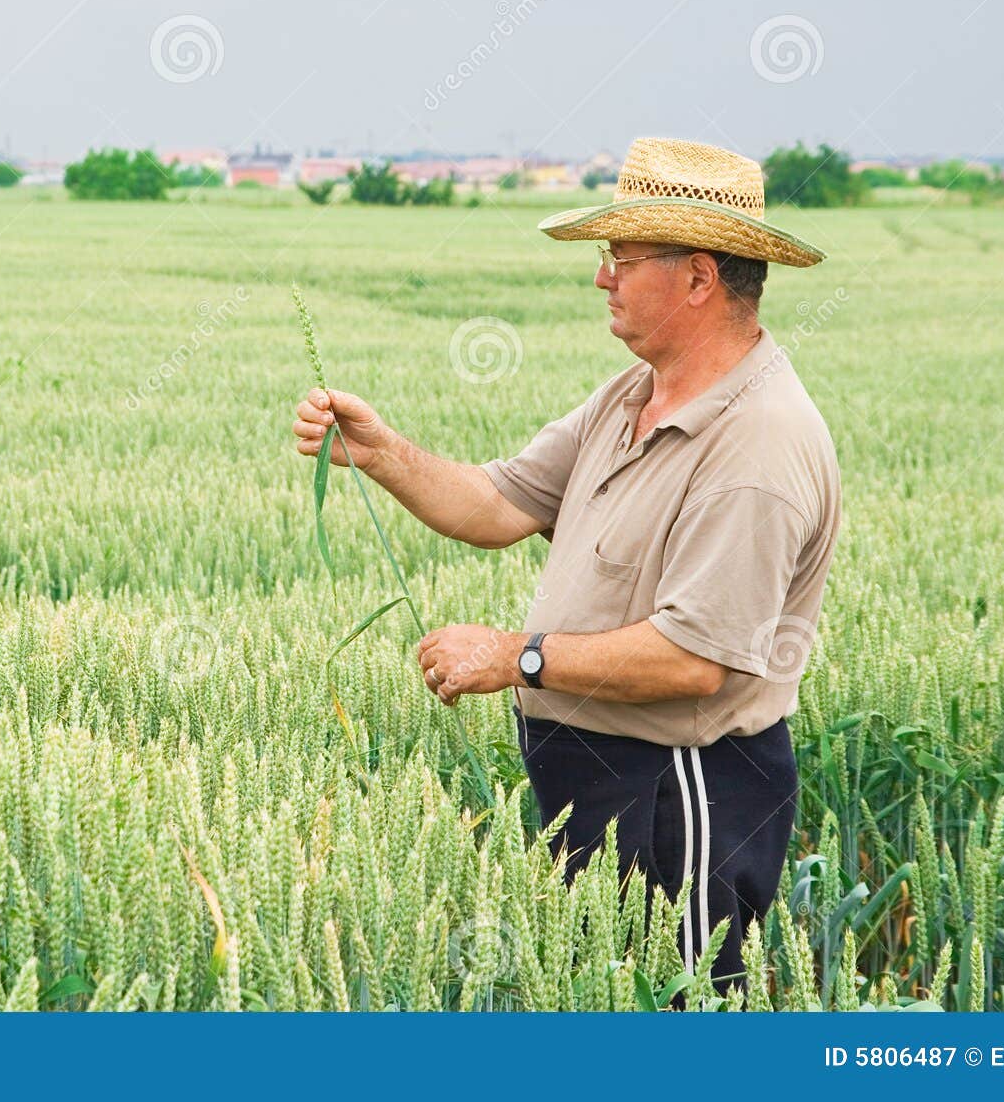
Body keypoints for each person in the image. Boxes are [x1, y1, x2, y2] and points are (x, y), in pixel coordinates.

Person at [291, 136, 842, 997]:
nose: (602, 278)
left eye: (621, 257)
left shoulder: (757, 443)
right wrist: (380, 452)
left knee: (681, 1022)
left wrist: (516, 657)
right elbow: (500, 504)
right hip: (599, 785)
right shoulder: (633, 395)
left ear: (698, 276)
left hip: (680, 797)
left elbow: (696, 660)